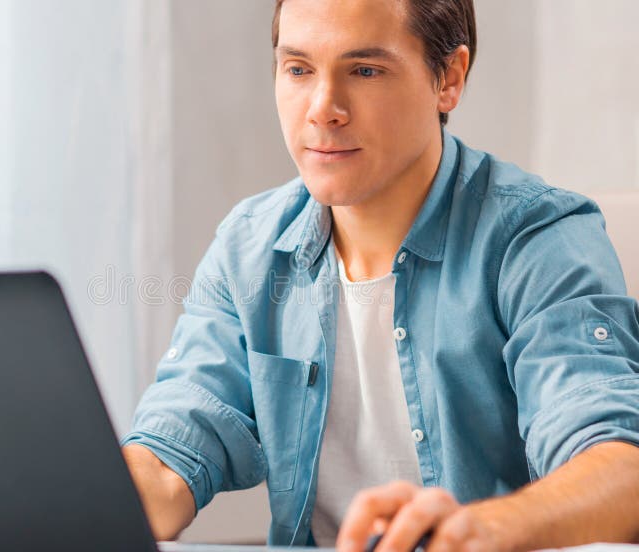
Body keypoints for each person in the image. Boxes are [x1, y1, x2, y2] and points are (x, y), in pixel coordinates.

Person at [122, 0, 639, 550]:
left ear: (449, 79)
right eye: (298, 69)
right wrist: (85, 494)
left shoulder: (537, 238)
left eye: (365, 71)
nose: (323, 109)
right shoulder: (248, 247)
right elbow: (173, 449)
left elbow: (620, 470)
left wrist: (486, 530)